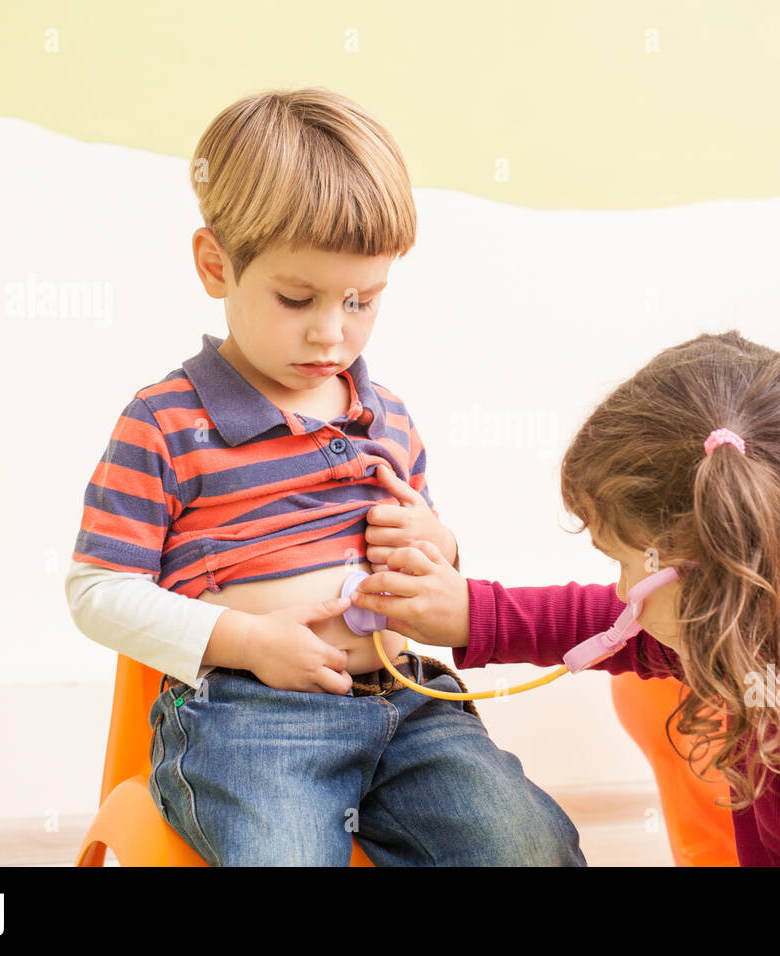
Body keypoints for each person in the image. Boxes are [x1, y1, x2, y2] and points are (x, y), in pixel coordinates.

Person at [64, 87, 584, 866]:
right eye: (296, 297)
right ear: (216, 264)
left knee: (529, 847)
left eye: (361, 301)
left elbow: (430, 578)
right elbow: (97, 592)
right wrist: (245, 641)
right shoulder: (167, 423)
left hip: (409, 702)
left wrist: (437, 547)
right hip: (249, 718)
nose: (330, 331)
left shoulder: (389, 419)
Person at [348, 329, 780, 866]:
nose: (622, 594)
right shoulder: (770, 627)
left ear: (720, 585)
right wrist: (472, 610)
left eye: (627, 568)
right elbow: (616, 623)